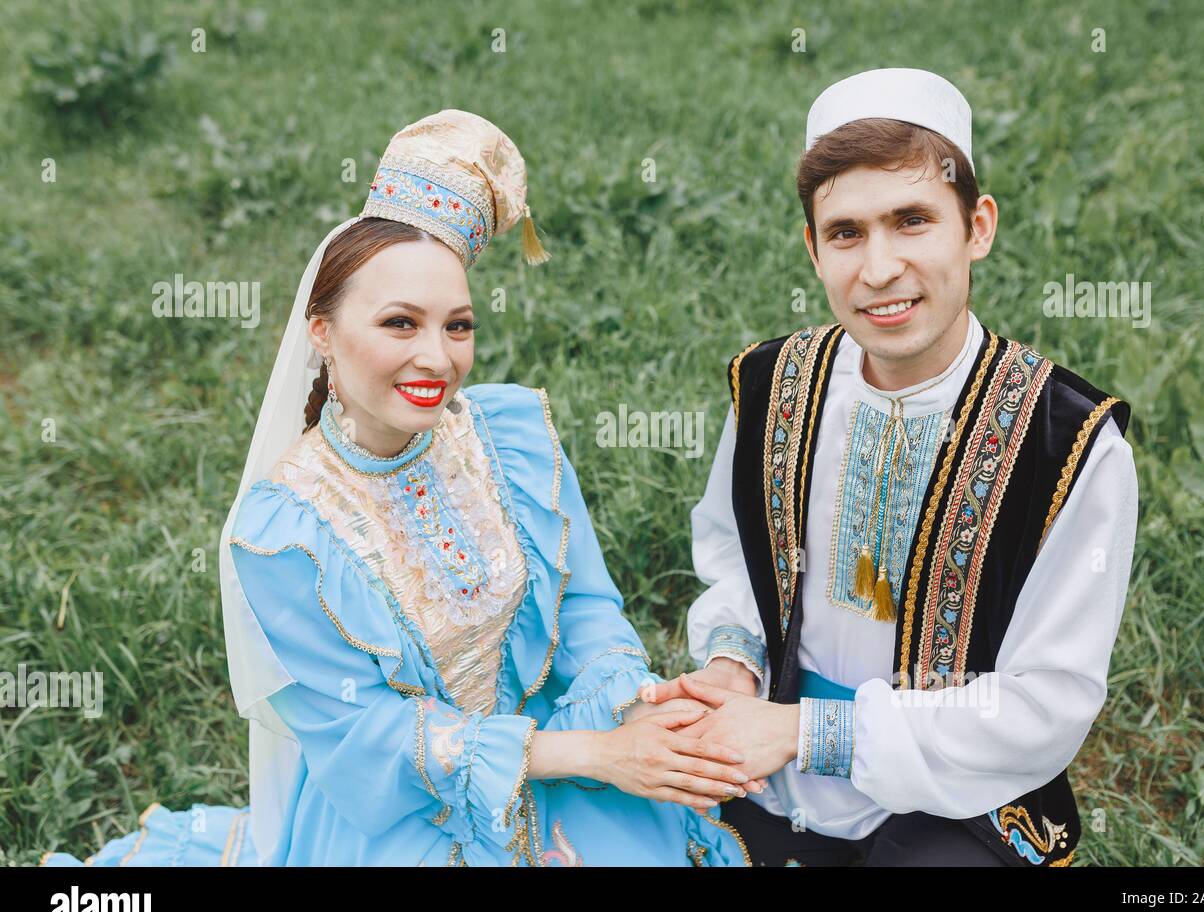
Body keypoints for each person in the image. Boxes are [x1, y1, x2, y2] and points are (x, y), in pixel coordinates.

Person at [41, 109, 754, 867]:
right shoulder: (284, 532)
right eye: (399, 324)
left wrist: (630, 711)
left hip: (568, 744)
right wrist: (585, 755)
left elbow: (585, 607)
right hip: (404, 804)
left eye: (458, 326)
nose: (437, 359)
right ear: (322, 332)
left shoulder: (511, 439)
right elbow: (363, 733)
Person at [642, 68, 1140, 866]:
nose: (878, 269)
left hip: (962, 795)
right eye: (846, 232)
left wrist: (809, 731)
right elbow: (737, 560)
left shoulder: (1069, 445)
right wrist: (735, 667)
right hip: (770, 766)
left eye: (912, 221)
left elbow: (1047, 702)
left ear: (977, 226)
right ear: (812, 248)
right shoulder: (772, 385)